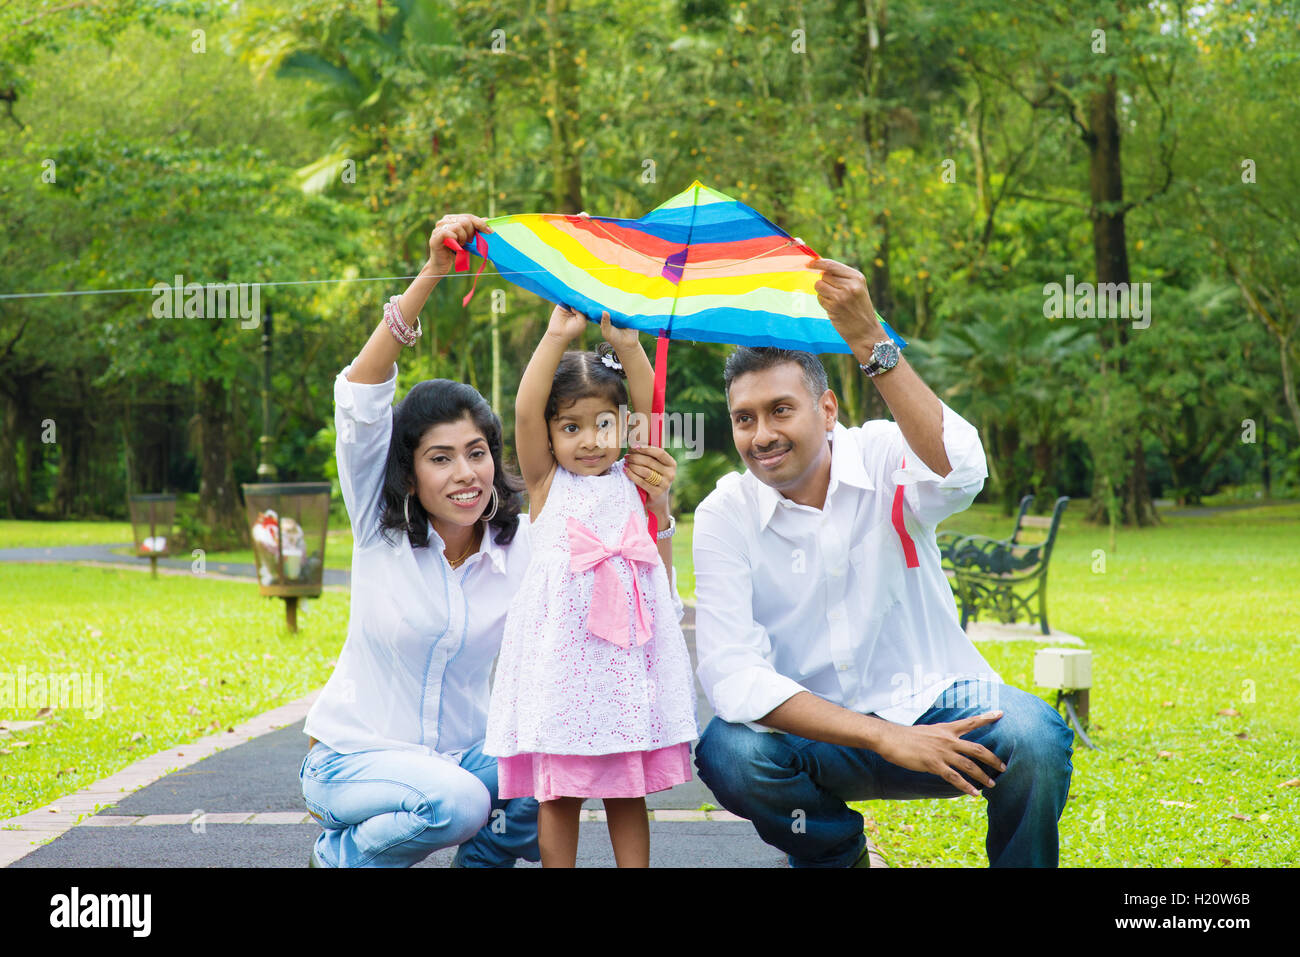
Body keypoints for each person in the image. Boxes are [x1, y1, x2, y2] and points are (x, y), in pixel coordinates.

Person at [691, 257, 1075, 868]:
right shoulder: (724, 513)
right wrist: (882, 736)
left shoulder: (884, 454)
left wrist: (871, 339)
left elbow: (963, 471)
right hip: (817, 738)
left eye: (780, 410)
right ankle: (841, 857)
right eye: (744, 418)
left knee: (1034, 736)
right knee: (730, 753)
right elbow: (733, 675)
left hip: (938, 706)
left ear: (827, 409)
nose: (761, 434)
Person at [301, 213, 540, 867]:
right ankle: (341, 857)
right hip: (353, 761)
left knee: (546, 765)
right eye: (441, 458)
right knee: (460, 804)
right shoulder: (376, 529)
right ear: (410, 470)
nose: (465, 473)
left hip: (461, 758)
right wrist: (433, 272)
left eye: (477, 452)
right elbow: (360, 395)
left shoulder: (517, 547)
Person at [484, 303, 699, 867]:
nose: (589, 440)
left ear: (623, 426)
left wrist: (629, 347)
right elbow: (525, 410)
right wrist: (557, 335)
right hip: (565, 669)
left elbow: (652, 408)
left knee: (627, 789)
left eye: (604, 423)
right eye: (570, 427)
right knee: (561, 790)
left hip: (625, 666)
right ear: (551, 436)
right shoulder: (546, 483)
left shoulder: (636, 475)